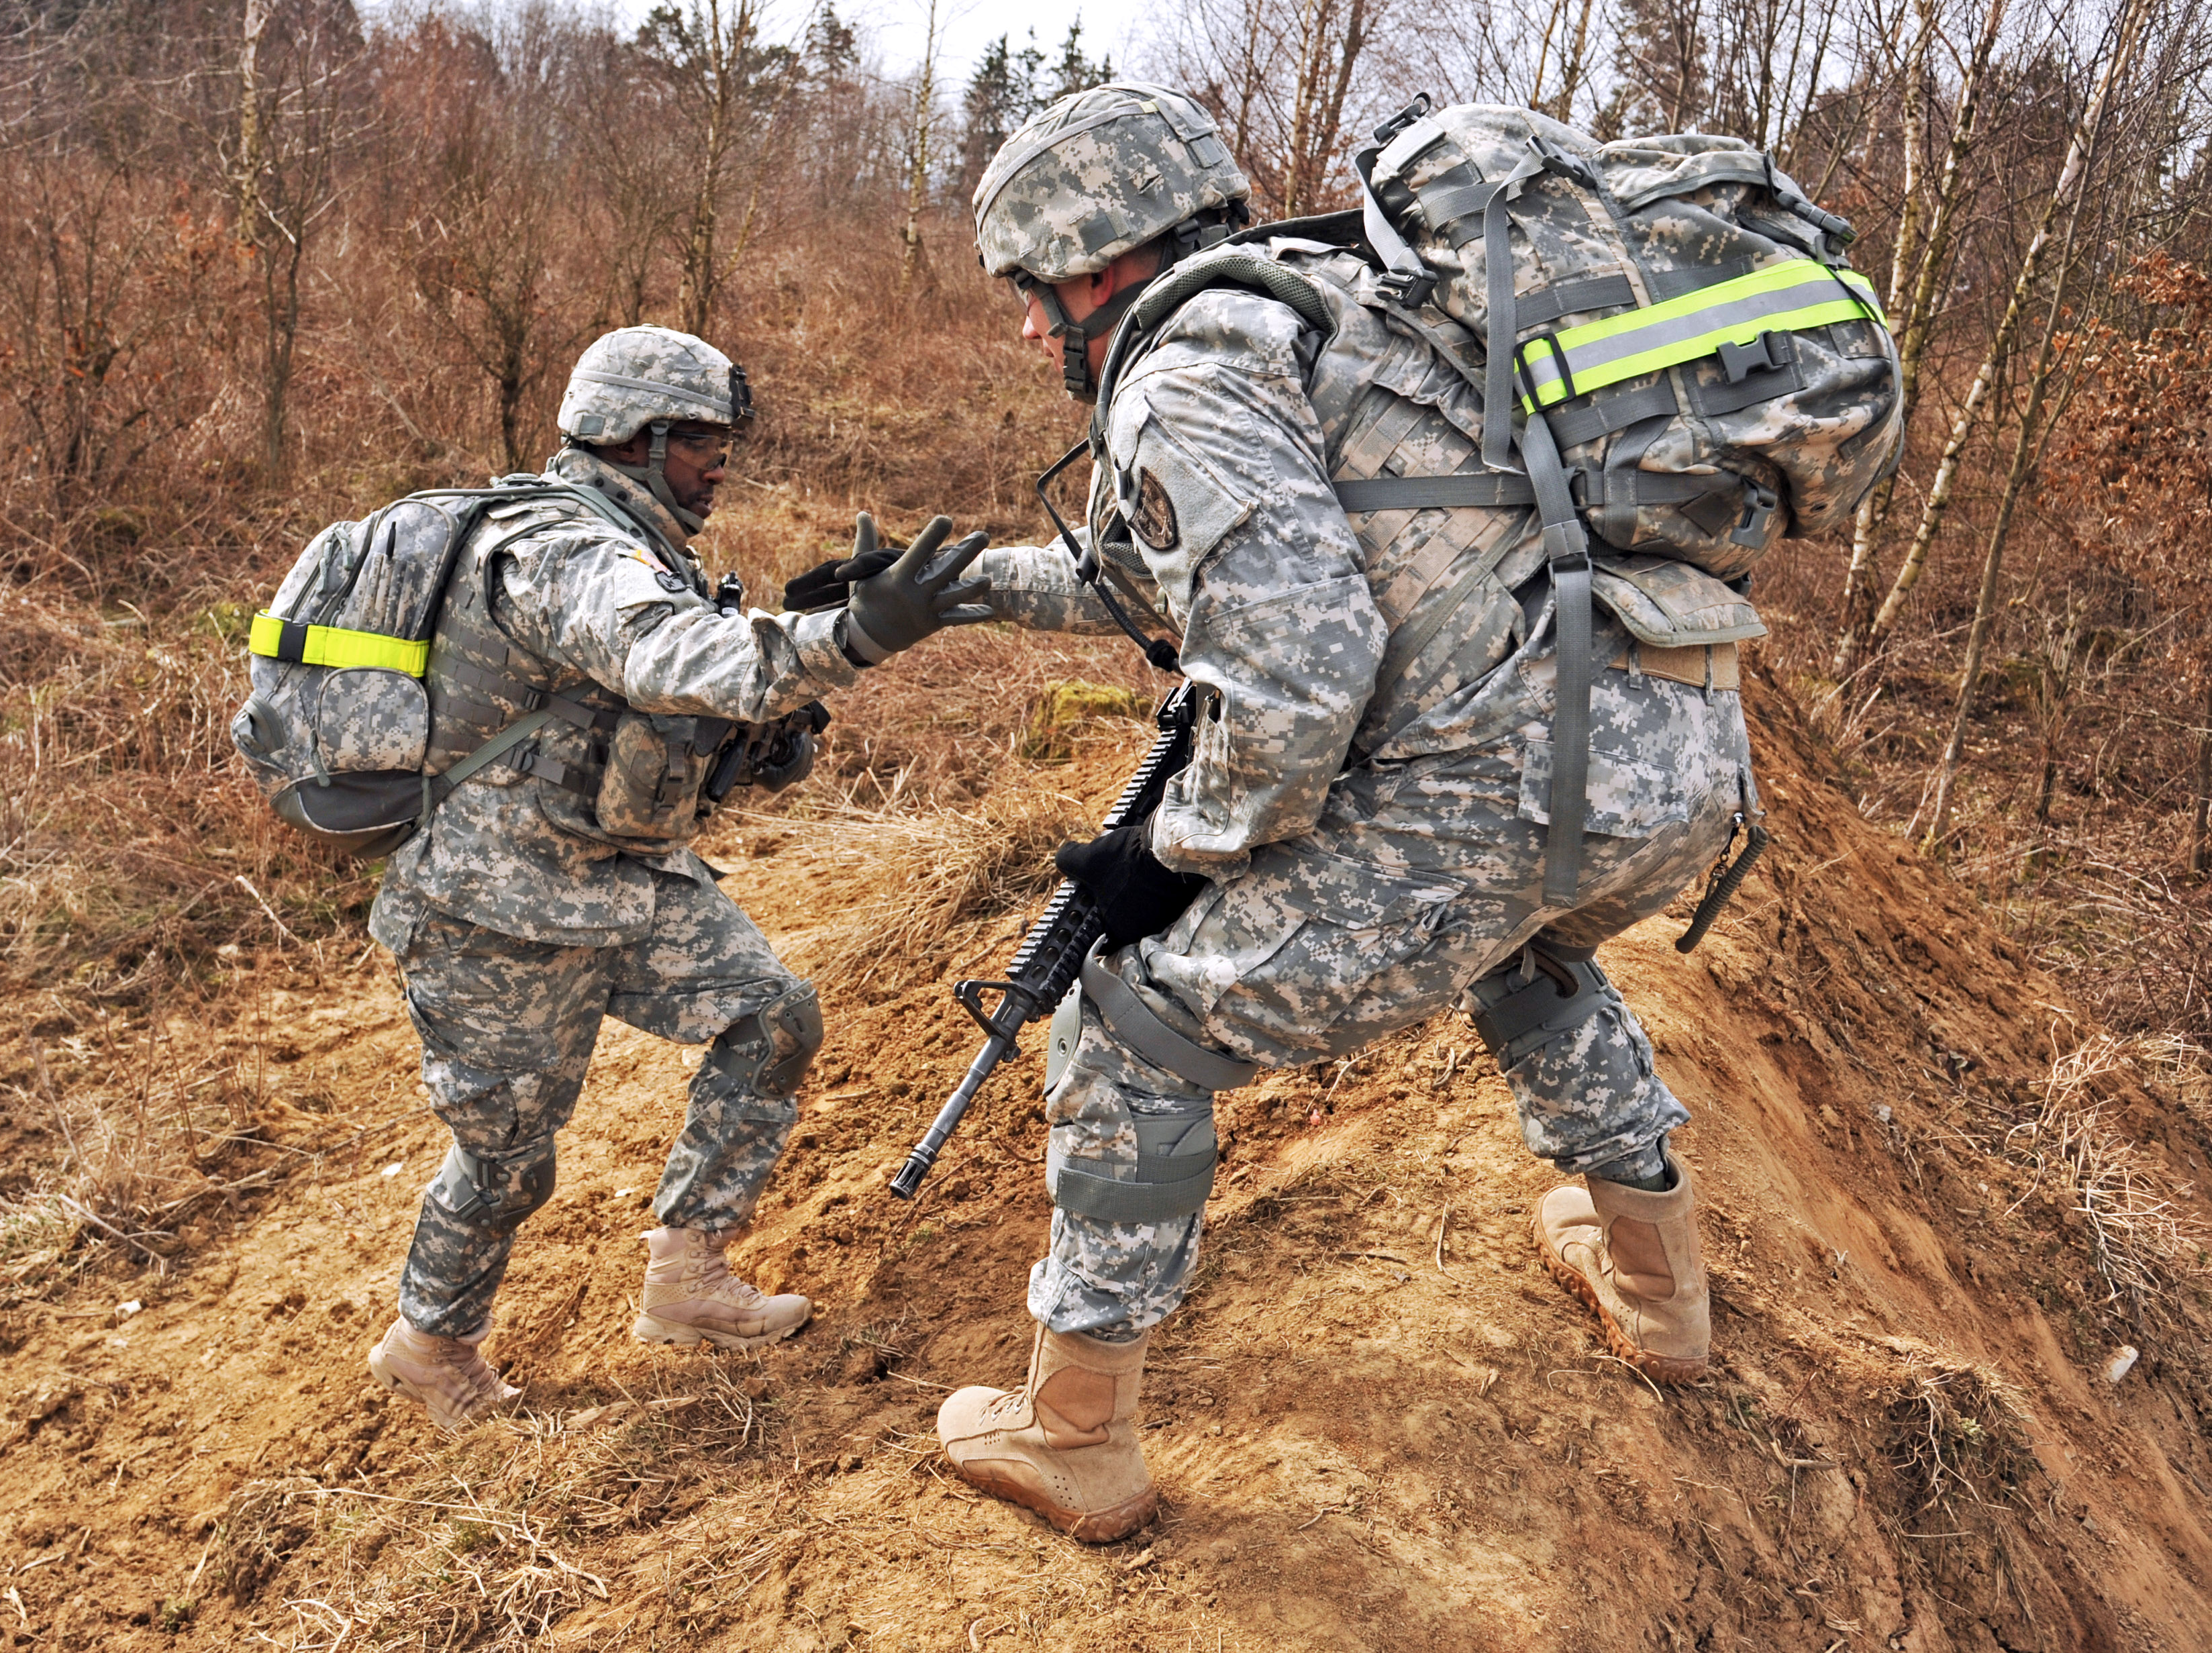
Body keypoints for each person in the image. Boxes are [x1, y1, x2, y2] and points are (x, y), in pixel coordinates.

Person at [906, 84, 1752, 1541]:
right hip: (1675, 752)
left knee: (1128, 1020)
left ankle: (1077, 1434)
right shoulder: (1344, 302)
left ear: (1093, 262)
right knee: (1519, 943)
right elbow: (1177, 577)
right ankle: (1661, 1288)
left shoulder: (1181, 374)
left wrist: (1173, 856)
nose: (1034, 332)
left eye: (1032, 295)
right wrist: (963, 584)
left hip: (1502, 781)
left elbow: (1298, 679)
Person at [364, 325, 991, 1430]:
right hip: (495, 907)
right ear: (636, 439)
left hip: (620, 874)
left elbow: (662, 721)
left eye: (722, 441)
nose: (720, 463)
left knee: (771, 1017)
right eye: (701, 440)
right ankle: (434, 1343)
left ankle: (687, 1275)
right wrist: (850, 635)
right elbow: (681, 659)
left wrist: (766, 733)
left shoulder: (635, 543)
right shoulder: (559, 550)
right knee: (509, 1157)